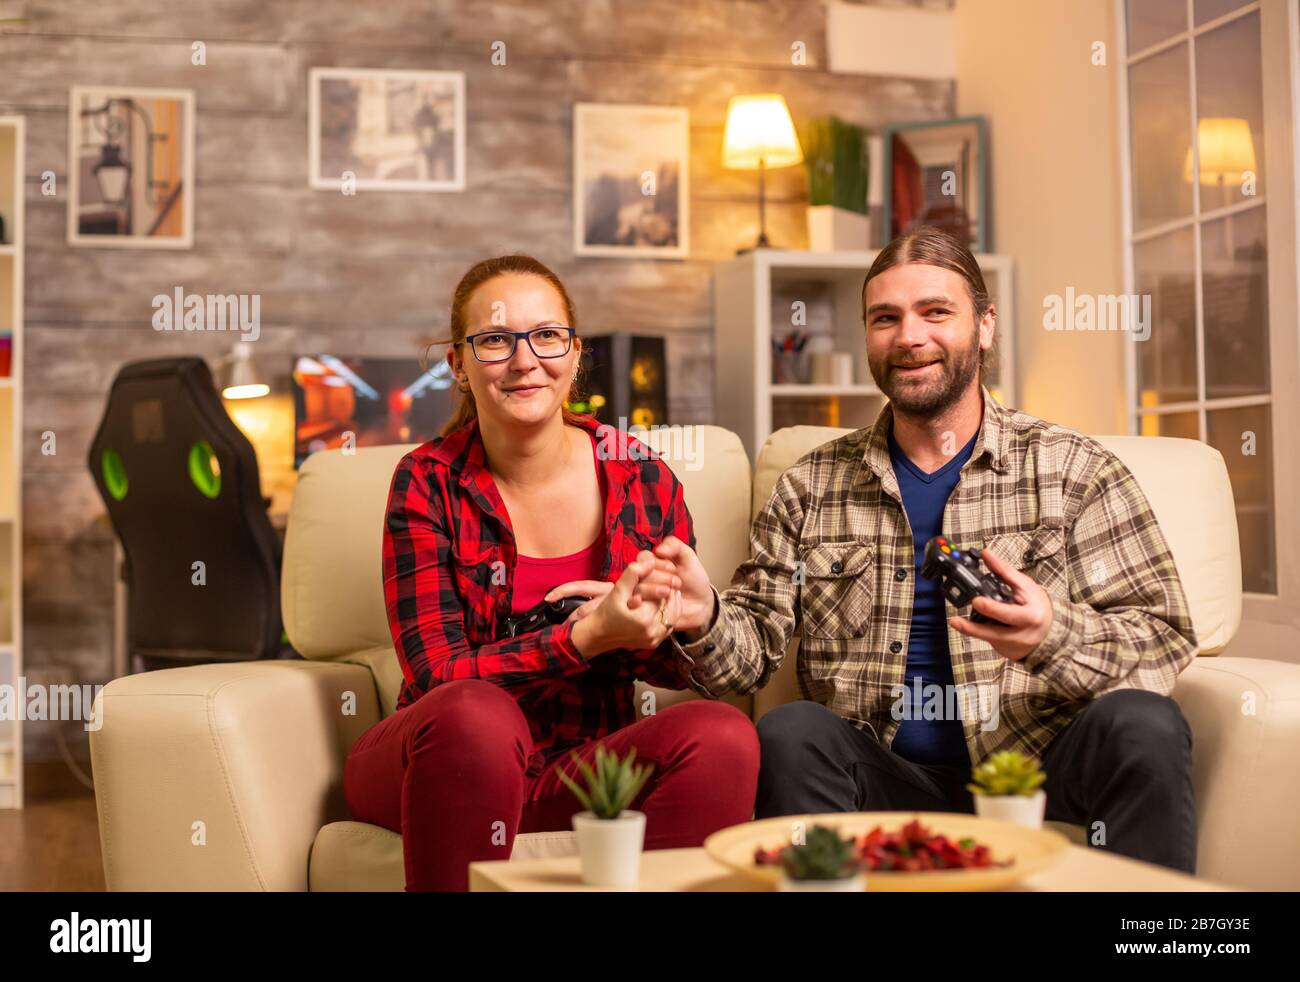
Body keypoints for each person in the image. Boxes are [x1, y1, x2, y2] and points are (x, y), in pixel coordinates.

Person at [653, 226, 1200, 872]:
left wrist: (1049, 633)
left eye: (935, 311)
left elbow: (1163, 641)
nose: (909, 337)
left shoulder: (1074, 472)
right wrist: (705, 616)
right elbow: (746, 663)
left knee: (1145, 724)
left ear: (985, 325)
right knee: (791, 730)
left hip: (1036, 769)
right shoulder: (812, 486)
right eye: (886, 318)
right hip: (885, 775)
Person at [343, 254, 759, 891]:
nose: (524, 360)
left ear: (574, 352)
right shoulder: (428, 482)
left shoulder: (639, 474)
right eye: (494, 340)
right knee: (477, 715)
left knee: (721, 734)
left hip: (577, 766)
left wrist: (682, 621)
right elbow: (436, 675)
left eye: (546, 335)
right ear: (458, 364)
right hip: (439, 759)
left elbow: (675, 670)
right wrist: (584, 638)